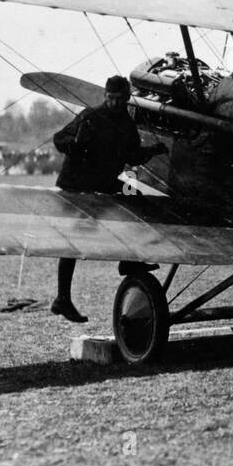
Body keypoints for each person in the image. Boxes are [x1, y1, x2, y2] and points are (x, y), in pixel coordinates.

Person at [50, 75, 168, 322]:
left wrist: (153, 151)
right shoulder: (90, 116)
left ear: (126, 98)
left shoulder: (126, 124)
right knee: (74, 238)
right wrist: (76, 143)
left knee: (134, 198)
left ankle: (128, 262)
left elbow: (133, 156)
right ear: (105, 96)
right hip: (78, 184)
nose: (114, 103)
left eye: (119, 99)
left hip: (103, 182)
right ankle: (62, 298)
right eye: (110, 98)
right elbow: (58, 139)